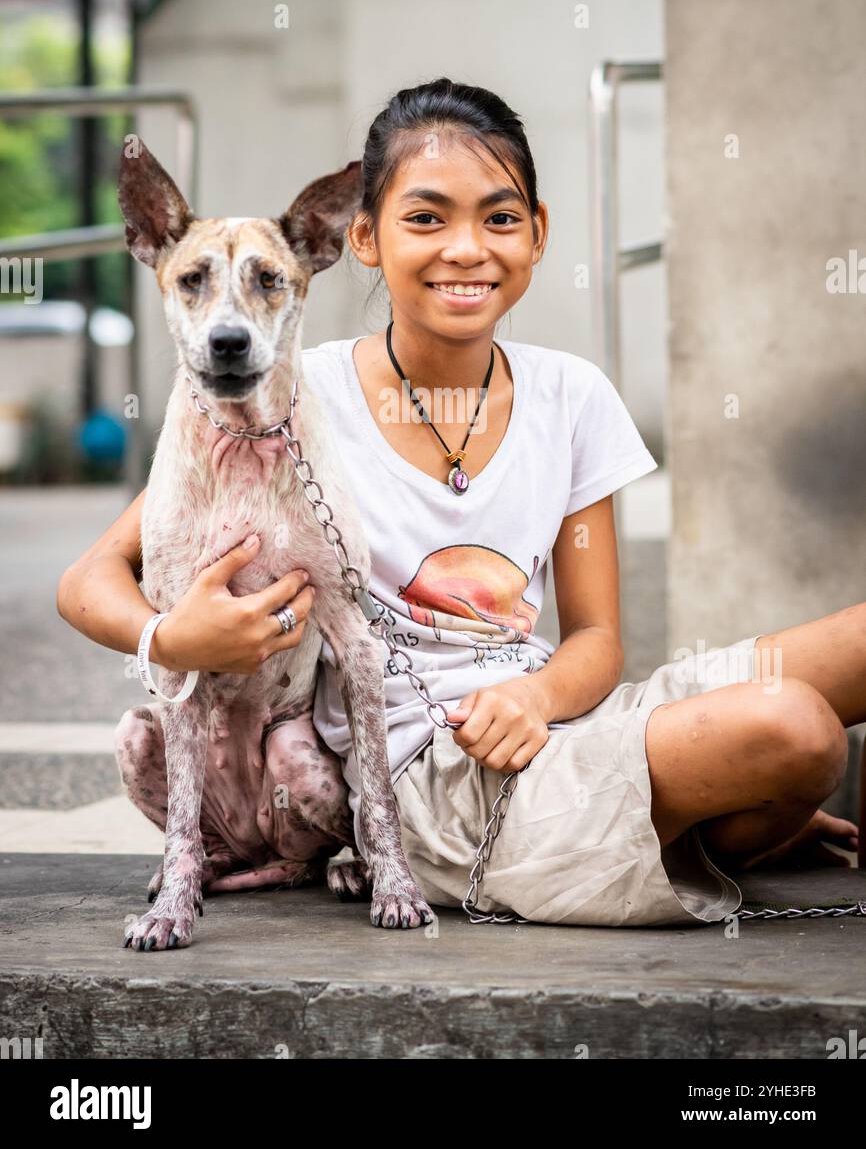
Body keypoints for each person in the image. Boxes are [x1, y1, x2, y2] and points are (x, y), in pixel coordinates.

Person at [58, 77, 859, 927]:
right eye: (427, 218)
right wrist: (168, 636)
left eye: (501, 218)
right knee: (799, 733)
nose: (467, 248)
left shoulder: (571, 393)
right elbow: (92, 577)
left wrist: (536, 699)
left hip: (546, 714)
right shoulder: (289, 392)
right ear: (359, 237)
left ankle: (717, 818)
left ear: (539, 233)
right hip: (428, 778)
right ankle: (723, 817)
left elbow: (595, 641)